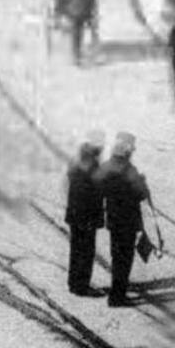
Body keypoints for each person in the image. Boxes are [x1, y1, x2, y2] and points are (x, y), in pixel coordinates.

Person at [95, 132, 153, 308]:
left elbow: (99, 188)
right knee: (124, 260)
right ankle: (117, 296)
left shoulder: (106, 166)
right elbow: (142, 194)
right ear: (127, 151)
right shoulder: (129, 171)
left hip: (113, 220)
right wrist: (142, 182)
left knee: (116, 258)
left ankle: (116, 294)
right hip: (128, 222)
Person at [64, 132, 106, 296]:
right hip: (88, 216)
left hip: (75, 215)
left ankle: (73, 283)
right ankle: (82, 286)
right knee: (87, 251)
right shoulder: (94, 168)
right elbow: (97, 193)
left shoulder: (75, 162)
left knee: (75, 249)